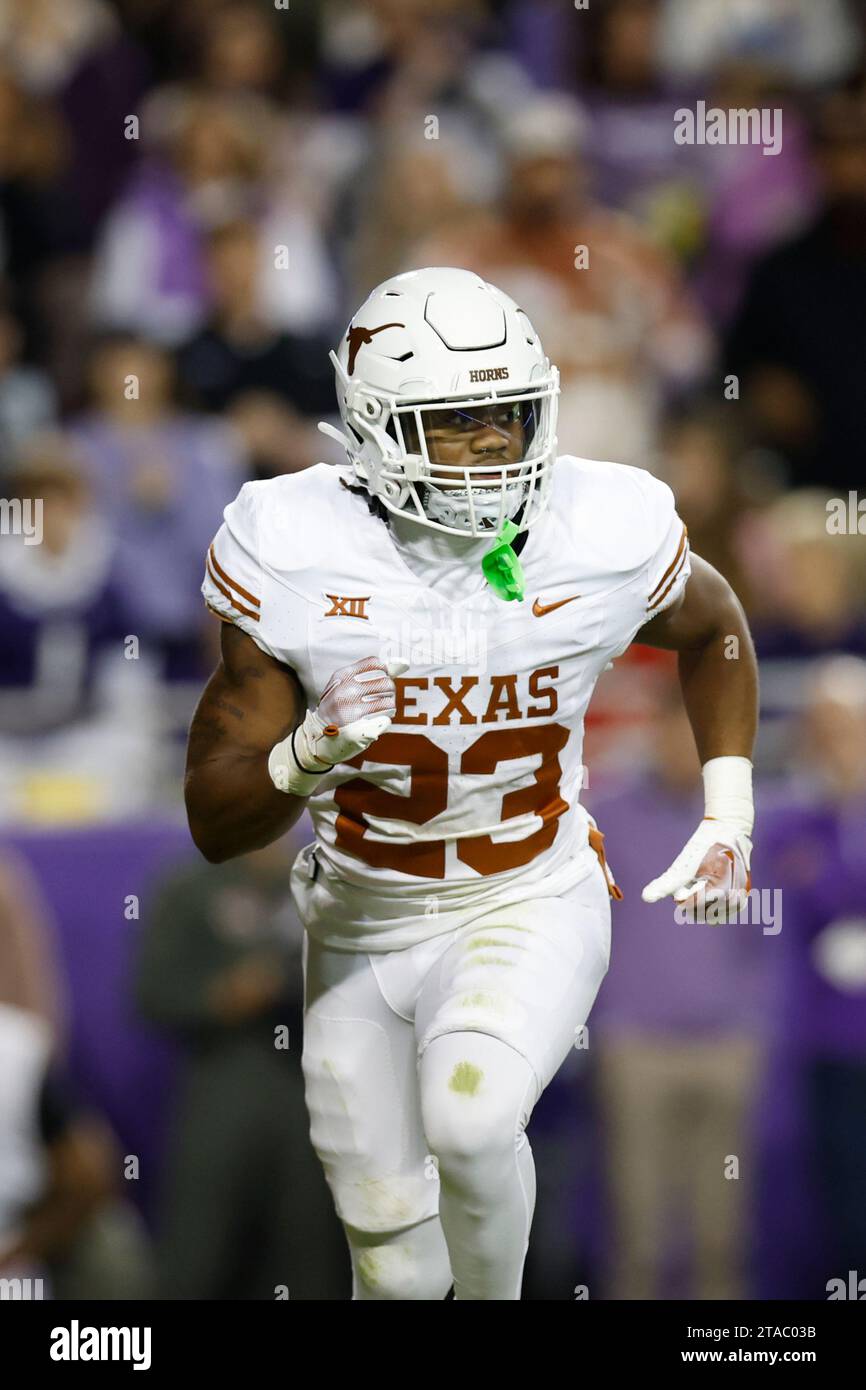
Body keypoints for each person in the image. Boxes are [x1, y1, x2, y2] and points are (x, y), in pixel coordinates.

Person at [184, 266, 758, 1300]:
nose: (495, 439)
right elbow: (216, 822)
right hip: (360, 920)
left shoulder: (598, 522)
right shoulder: (295, 544)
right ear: (371, 426)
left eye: (509, 410)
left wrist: (729, 806)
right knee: (393, 1265)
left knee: (473, 1115)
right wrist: (308, 751)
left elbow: (713, 624)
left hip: (525, 887)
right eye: (456, 420)